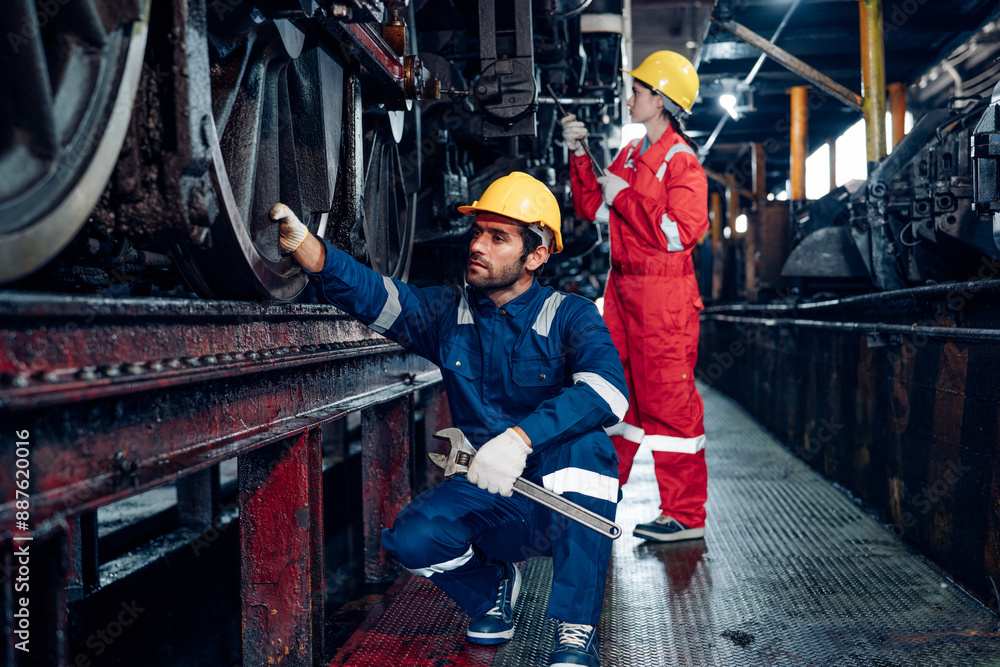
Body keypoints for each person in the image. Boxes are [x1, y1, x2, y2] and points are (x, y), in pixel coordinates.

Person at [270, 171, 627, 667]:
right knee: (413, 536)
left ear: (536, 255)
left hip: (557, 501)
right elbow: (375, 295)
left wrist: (521, 440)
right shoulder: (446, 312)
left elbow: (607, 392)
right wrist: (311, 250)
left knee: (589, 452)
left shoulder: (572, 315)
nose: (477, 245)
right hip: (490, 496)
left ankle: (575, 631)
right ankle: (491, 591)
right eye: (477, 232)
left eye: (497, 237)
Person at [560, 50, 710, 543]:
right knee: (616, 398)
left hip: (663, 297)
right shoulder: (629, 154)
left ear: (661, 101)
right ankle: (598, 498)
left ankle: (685, 515)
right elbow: (592, 209)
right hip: (623, 292)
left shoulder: (681, 162)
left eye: (640, 91)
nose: (631, 98)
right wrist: (580, 155)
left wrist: (624, 196)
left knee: (669, 402)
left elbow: (679, 233)